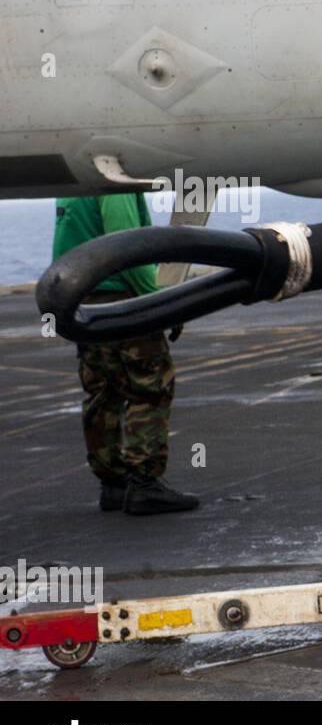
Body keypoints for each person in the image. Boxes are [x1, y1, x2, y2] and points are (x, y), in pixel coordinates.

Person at [52, 193, 200, 516]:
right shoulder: (113, 184)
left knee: (103, 392)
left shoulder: (72, 188)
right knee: (150, 387)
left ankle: (113, 484)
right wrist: (163, 304)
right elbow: (127, 249)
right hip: (122, 304)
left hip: (85, 304)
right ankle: (145, 484)